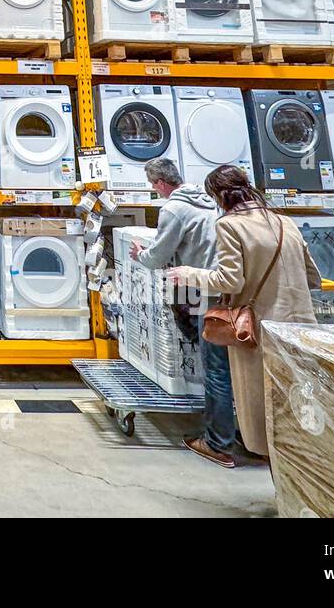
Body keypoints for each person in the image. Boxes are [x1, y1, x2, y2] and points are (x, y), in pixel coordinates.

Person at [166, 164, 321, 461]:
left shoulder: (229, 225)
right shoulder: (283, 222)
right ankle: (282, 448)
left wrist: (190, 274)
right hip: (298, 323)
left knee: (220, 375)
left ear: (217, 196)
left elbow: (229, 281)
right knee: (285, 386)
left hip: (252, 325)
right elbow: (312, 277)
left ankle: (219, 443)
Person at [129, 158, 236, 467]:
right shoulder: (209, 202)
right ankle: (234, 426)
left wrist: (140, 255)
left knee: (213, 365)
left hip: (199, 287)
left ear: (161, 184)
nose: (153, 190)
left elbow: (158, 254)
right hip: (226, 285)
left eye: (153, 185)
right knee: (224, 362)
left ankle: (219, 442)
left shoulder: (173, 209)